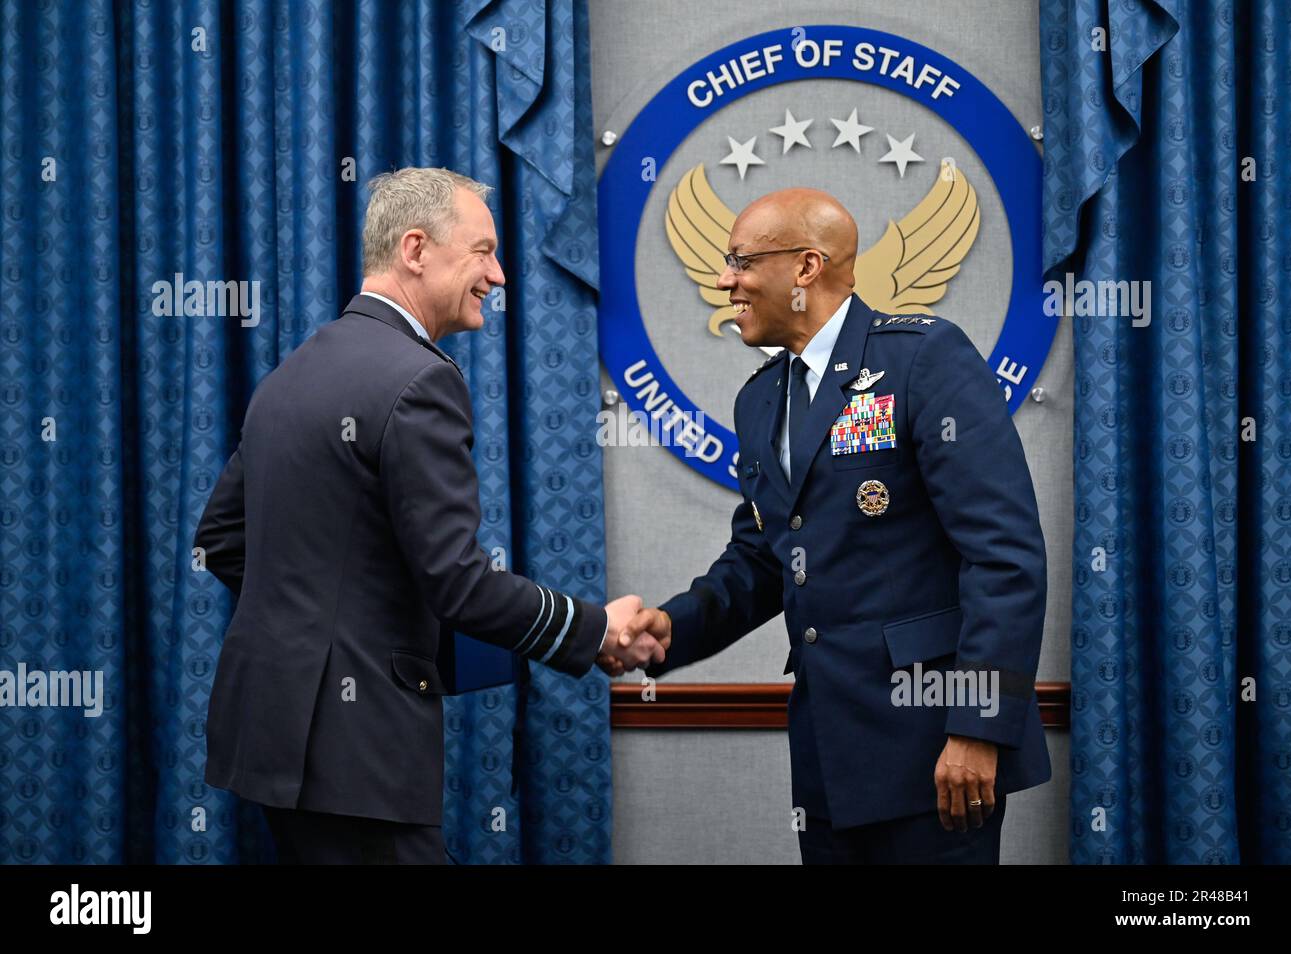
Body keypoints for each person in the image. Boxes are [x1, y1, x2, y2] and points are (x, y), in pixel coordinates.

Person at [196, 167, 663, 864]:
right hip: (357, 750)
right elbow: (458, 583)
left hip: (269, 733)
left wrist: (319, 629)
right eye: (483, 251)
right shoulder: (421, 379)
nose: (499, 276)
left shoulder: (289, 375)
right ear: (415, 249)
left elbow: (223, 541)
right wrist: (592, 629)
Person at [611, 187, 1050, 864]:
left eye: (740, 261)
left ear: (807, 268)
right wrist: (675, 626)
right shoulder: (760, 399)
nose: (724, 279)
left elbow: (1004, 556)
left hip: (935, 748)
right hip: (828, 756)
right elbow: (762, 557)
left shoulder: (923, 359)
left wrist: (979, 728)